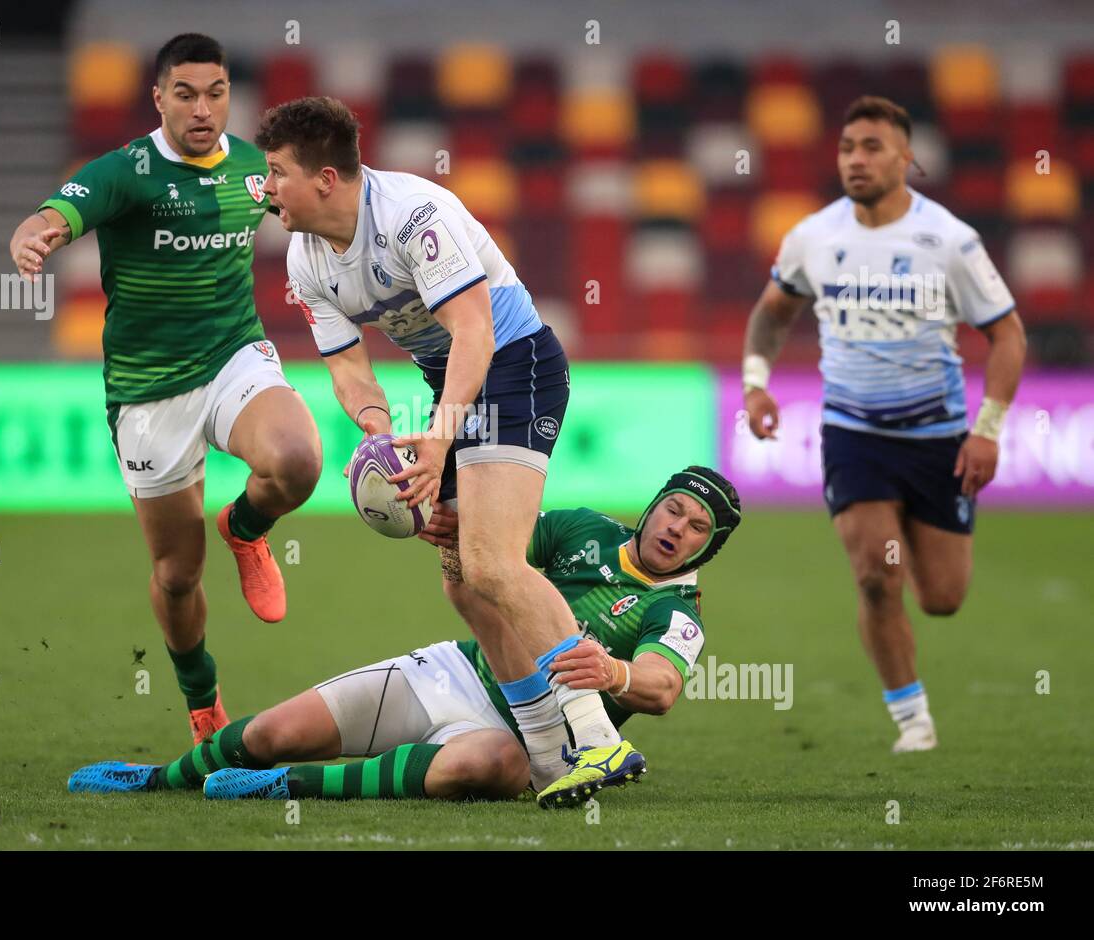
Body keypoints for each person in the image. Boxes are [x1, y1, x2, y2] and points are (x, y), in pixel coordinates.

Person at [252, 94, 649, 801]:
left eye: (277, 172)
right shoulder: (307, 257)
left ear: (326, 179)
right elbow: (349, 368)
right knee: (464, 583)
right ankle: (550, 757)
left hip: (514, 362)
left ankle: (598, 740)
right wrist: (380, 437)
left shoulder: (411, 213)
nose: (264, 186)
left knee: (493, 563)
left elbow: (475, 331)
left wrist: (438, 441)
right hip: (453, 383)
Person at [67, 467, 741, 808]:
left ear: (705, 551)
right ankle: (157, 779)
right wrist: (443, 524)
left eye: (696, 529)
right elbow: (485, 553)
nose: (676, 528)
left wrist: (616, 676)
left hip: (539, 742)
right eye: (674, 509)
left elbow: (663, 687)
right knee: (268, 731)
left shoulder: (676, 611)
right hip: (454, 672)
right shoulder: (581, 530)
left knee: (490, 767)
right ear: (655, 505)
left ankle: (285, 787)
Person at [8, 34, 322, 745]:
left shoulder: (253, 167)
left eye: (215, 93)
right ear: (159, 98)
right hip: (148, 394)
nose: (202, 108)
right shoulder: (127, 172)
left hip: (233, 357)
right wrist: (34, 238)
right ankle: (202, 698)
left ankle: (246, 528)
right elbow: (53, 215)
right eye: (185, 94)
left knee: (298, 461)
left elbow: (323, 215)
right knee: (178, 576)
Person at [741, 95, 1027, 752]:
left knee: (943, 597)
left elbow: (1007, 337)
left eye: (872, 146)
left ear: (907, 158)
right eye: (847, 148)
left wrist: (988, 429)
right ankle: (911, 717)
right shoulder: (814, 235)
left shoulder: (950, 241)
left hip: (937, 439)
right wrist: (756, 383)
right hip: (854, 436)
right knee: (876, 572)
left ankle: (914, 689)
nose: (856, 159)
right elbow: (771, 313)